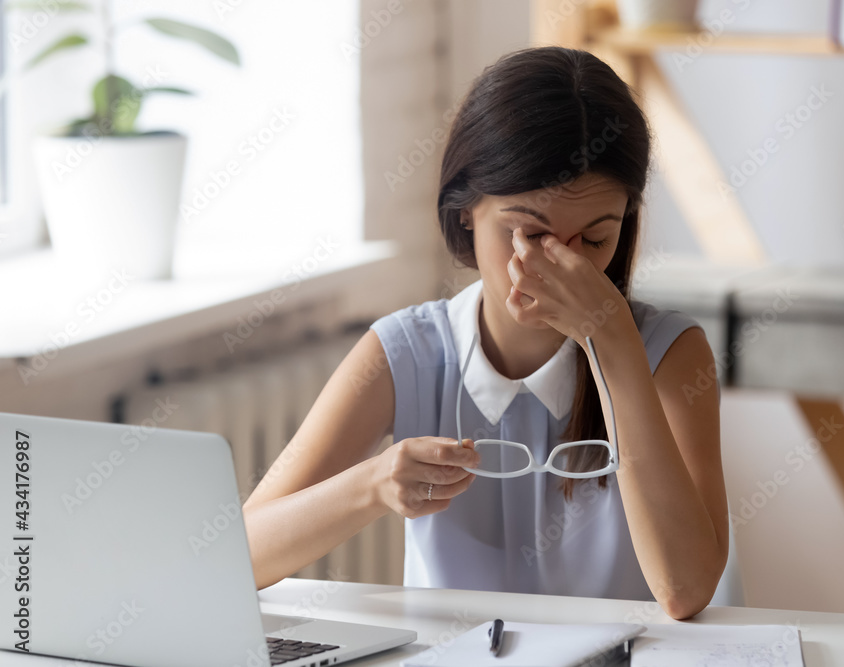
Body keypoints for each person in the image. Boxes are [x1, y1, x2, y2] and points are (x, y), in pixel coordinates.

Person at [242, 46, 727, 620]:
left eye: (595, 241)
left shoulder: (669, 354)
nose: (556, 268)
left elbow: (685, 591)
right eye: (526, 233)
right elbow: (241, 554)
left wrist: (612, 343)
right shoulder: (405, 354)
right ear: (466, 211)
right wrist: (372, 484)